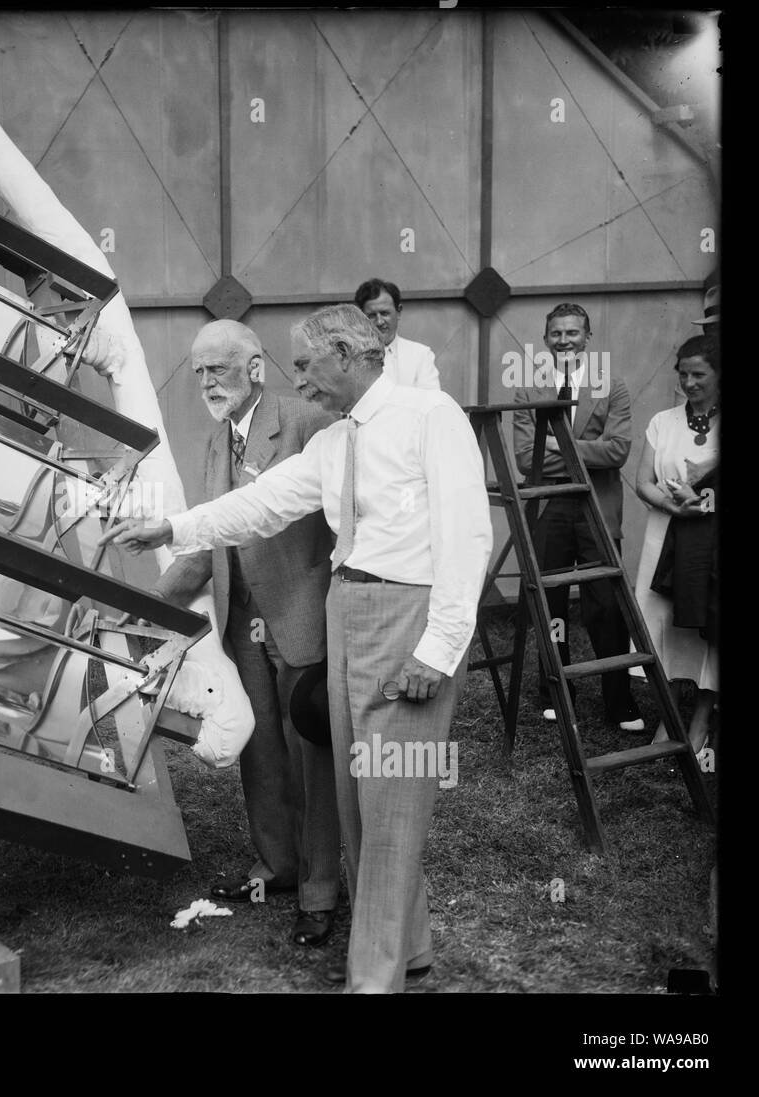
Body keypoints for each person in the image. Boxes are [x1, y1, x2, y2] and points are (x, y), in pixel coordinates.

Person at [100, 305, 492, 992]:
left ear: (345, 353)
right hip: (346, 610)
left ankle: (374, 979)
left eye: (306, 363)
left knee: (393, 799)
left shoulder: (433, 417)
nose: (299, 379)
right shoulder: (335, 442)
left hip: (407, 613)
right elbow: (263, 505)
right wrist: (171, 526)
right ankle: (414, 948)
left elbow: (468, 537)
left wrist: (440, 648)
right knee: (358, 798)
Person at [151, 319, 342, 947]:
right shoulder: (215, 441)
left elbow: (344, 517)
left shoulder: (306, 422)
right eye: (199, 371)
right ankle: (277, 867)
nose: (205, 382)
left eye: (218, 369)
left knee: (309, 754)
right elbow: (210, 538)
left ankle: (320, 890)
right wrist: (149, 605)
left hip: (301, 615)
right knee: (259, 748)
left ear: (255, 367)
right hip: (240, 620)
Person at [512, 303, 643, 732]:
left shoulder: (614, 386)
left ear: (588, 337)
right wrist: (582, 453)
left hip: (597, 509)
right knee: (551, 605)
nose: (564, 340)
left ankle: (618, 700)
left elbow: (617, 451)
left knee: (605, 605)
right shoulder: (529, 389)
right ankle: (555, 691)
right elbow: (523, 461)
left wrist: (555, 445)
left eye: (573, 333)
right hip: (550, 505)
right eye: (556, 333)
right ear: (546, 338)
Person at [632, 334, 719, 757]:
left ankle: (702, 719)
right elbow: (642, 481)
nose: (689, 382)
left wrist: (703, 502)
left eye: (699, 374)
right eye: (683, 374)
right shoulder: (662, 422)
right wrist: (673, 505)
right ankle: (668, 716)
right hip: (663, 536)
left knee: (710, 630)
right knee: (661, 625)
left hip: (712, 544)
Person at [354, 277, 440, 390]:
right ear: (361, 317)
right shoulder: (352, 358)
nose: (379, 322)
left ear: (398, 312)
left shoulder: (421, 355)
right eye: (372, 316)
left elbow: (430, 400)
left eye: (384, 313)